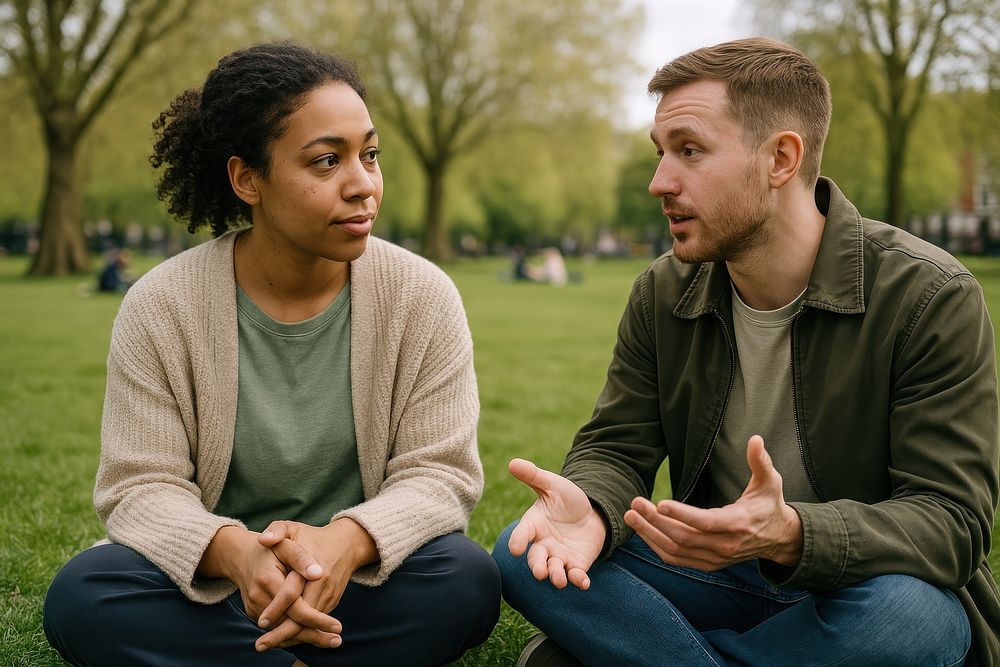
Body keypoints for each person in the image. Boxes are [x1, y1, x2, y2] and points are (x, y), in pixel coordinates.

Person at [493, 38, 999, 666]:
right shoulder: (661, 291)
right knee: (526, 547)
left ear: (781, 158)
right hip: (714, 573)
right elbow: (617, 446)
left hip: (864, 586)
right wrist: (591, 506)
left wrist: (791, 534)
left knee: (914, 621)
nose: (658, 182)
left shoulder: (930, 296)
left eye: (689, 150)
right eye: (660, 153)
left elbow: (951, 522)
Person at [43, 42, 500, 666]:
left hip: (358, 580)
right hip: (219, 587)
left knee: (466, 578)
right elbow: (139, 487)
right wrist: (238, 552)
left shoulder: (422, 297)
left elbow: (439, 474)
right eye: (325, 161)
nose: (362, 185)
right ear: (246, 179)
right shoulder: (162, 305)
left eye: (369, 155)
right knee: (83, 596)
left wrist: (346, 540)